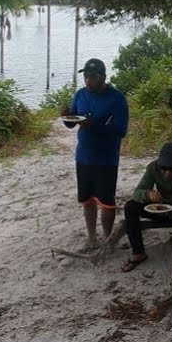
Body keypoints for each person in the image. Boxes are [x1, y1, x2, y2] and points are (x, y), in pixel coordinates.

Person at [60, 58, 129, 250]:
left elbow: (121, 130)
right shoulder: (80, 95)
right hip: (84, 156)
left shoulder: (116, 98)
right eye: (86, 76)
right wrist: (65, 116)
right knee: (87, 198)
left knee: (106, 202)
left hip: (106, 158)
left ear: (104, 77)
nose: (88, 80)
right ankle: (92, 237)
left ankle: (108, 239)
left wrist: (94, 126)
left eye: (93, 76)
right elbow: (71, 122)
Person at [120, 142, 172, 273]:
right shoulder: (153, 167)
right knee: (130, 206)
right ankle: (138, 252)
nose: (167, 172)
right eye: (164, 168)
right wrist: (147, 194)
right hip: (159, 208)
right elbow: (137, 193)